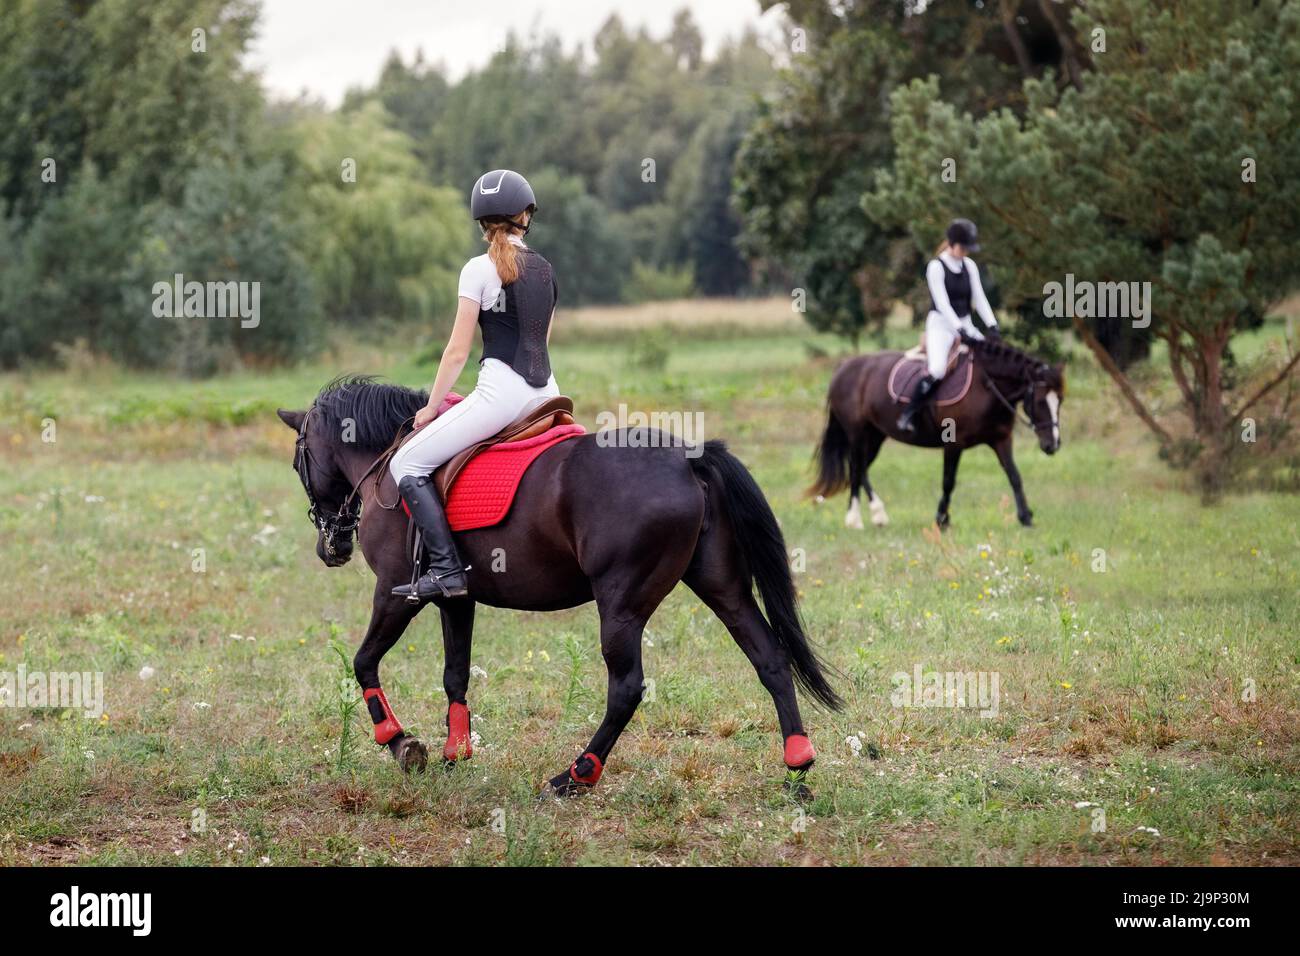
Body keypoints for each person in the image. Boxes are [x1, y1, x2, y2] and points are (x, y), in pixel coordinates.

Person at [388, 169, 560, 600]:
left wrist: (429, 408)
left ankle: (447, 570)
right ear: (526, 215)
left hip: (501, 396)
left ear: (481, 222)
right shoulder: (545, 269)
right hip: (548, 396)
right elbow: (542, 340)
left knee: (405, 464)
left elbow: (457, 351)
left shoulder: (477, 269)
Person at [897, 218, 1001, 433]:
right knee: (937, 369)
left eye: (968, 248)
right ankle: (909, 413)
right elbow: (942, 303)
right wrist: (959, 330)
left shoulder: (969, 266)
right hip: (941, 326)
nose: (966, 252)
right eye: (963, 247)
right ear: (951, 243)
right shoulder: (936, 267)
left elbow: (979, 298)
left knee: (993, 358)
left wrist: (992, 325)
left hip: (965, 323)